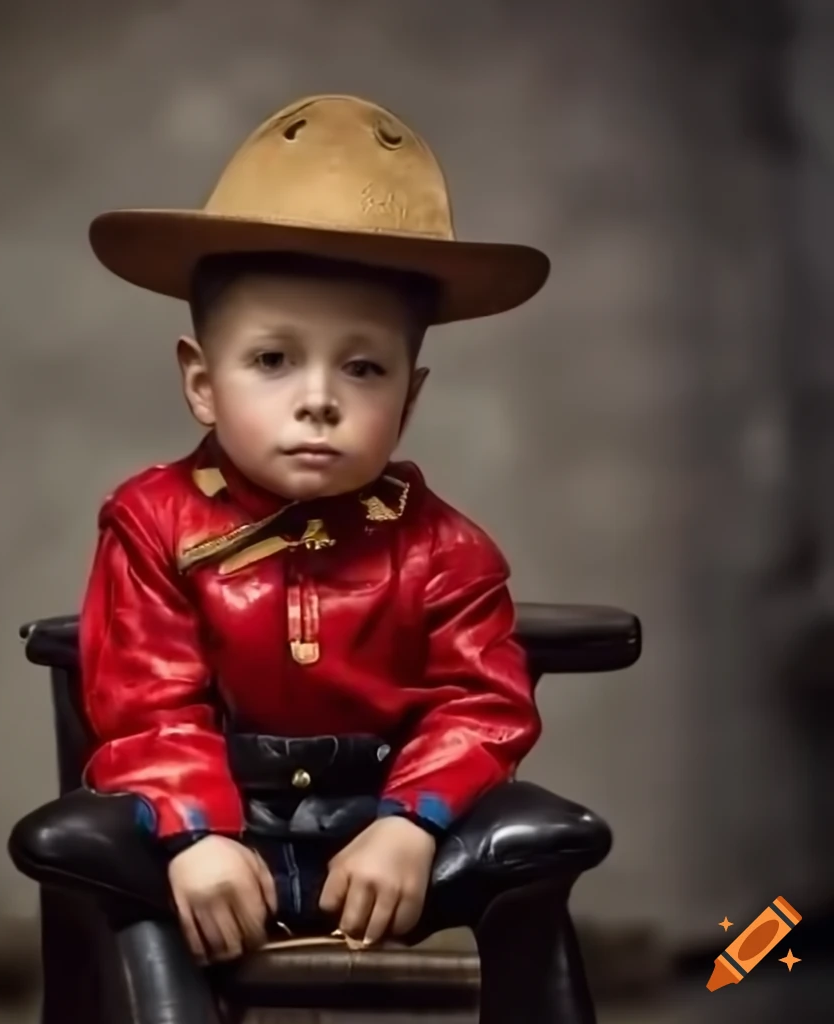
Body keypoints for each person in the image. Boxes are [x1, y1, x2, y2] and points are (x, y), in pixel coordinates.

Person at [78, 94, 550, 966]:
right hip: (216, 812)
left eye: (363, 367)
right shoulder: (154, 522)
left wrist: (412, 821)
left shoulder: (445, 549)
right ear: (202, 383)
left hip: (385, 813)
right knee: (109, 864)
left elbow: (481, 704)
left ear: (408, 399)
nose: (319, 399)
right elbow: (148, 704)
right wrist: (197, 833)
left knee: (542, 845)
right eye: (272, 359)